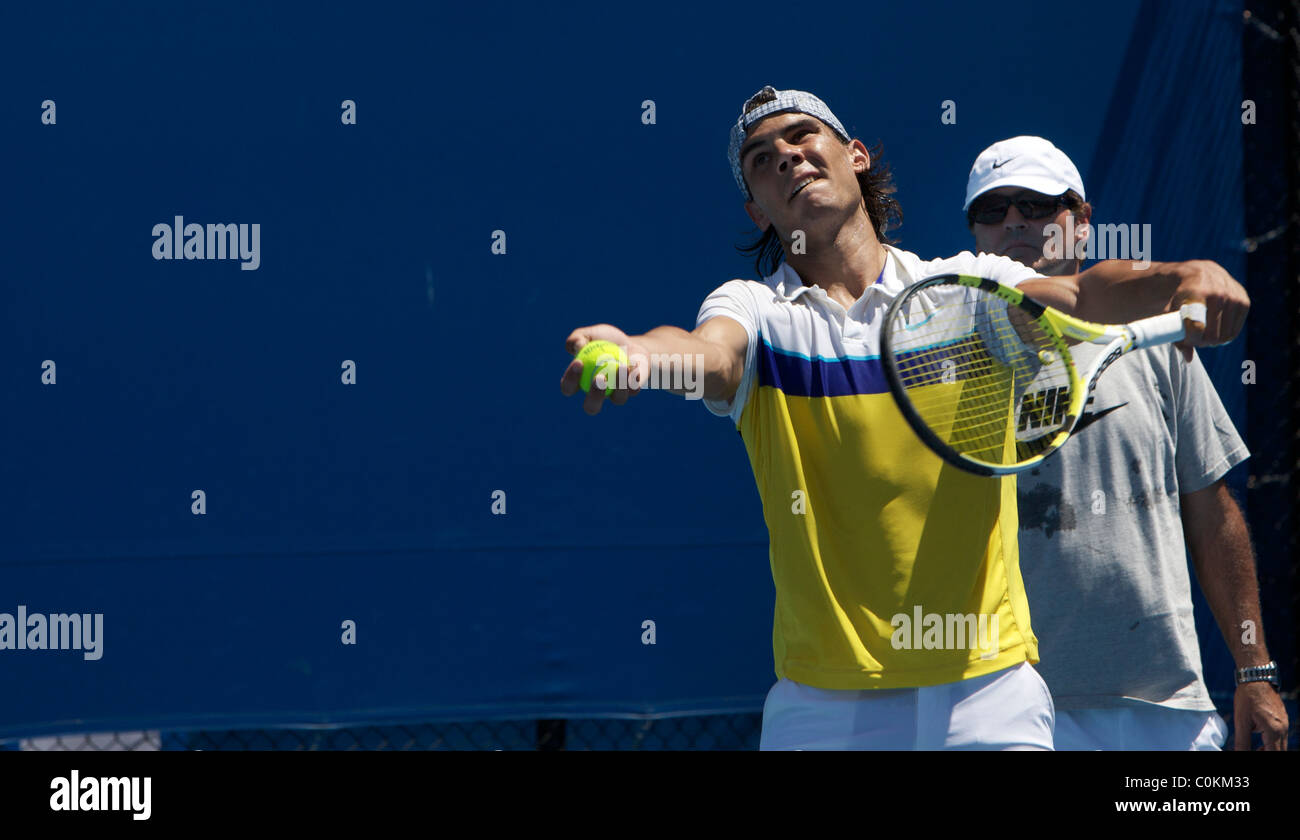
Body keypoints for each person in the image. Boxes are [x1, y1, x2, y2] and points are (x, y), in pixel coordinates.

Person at [559, 86, 1249, 750]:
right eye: (762, 160)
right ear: (757, 212)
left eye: (802, 137)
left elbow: (1080, 291)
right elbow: (707, 354)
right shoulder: (754, 311)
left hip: (991, 695)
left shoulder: (966, 291)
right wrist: (638, 355)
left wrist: (1177, 277)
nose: (787, 159)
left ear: (855, 155)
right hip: (823, 705)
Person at [963, 136, 1289, 750]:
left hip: (1169, 710)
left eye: (1034, 205)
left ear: (1080, 223)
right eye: (993, 210)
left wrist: (1254, 670)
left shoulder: (1162, 344)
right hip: (1010, 709)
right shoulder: (949, 351)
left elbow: (1214, 515)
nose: (1013, 223)